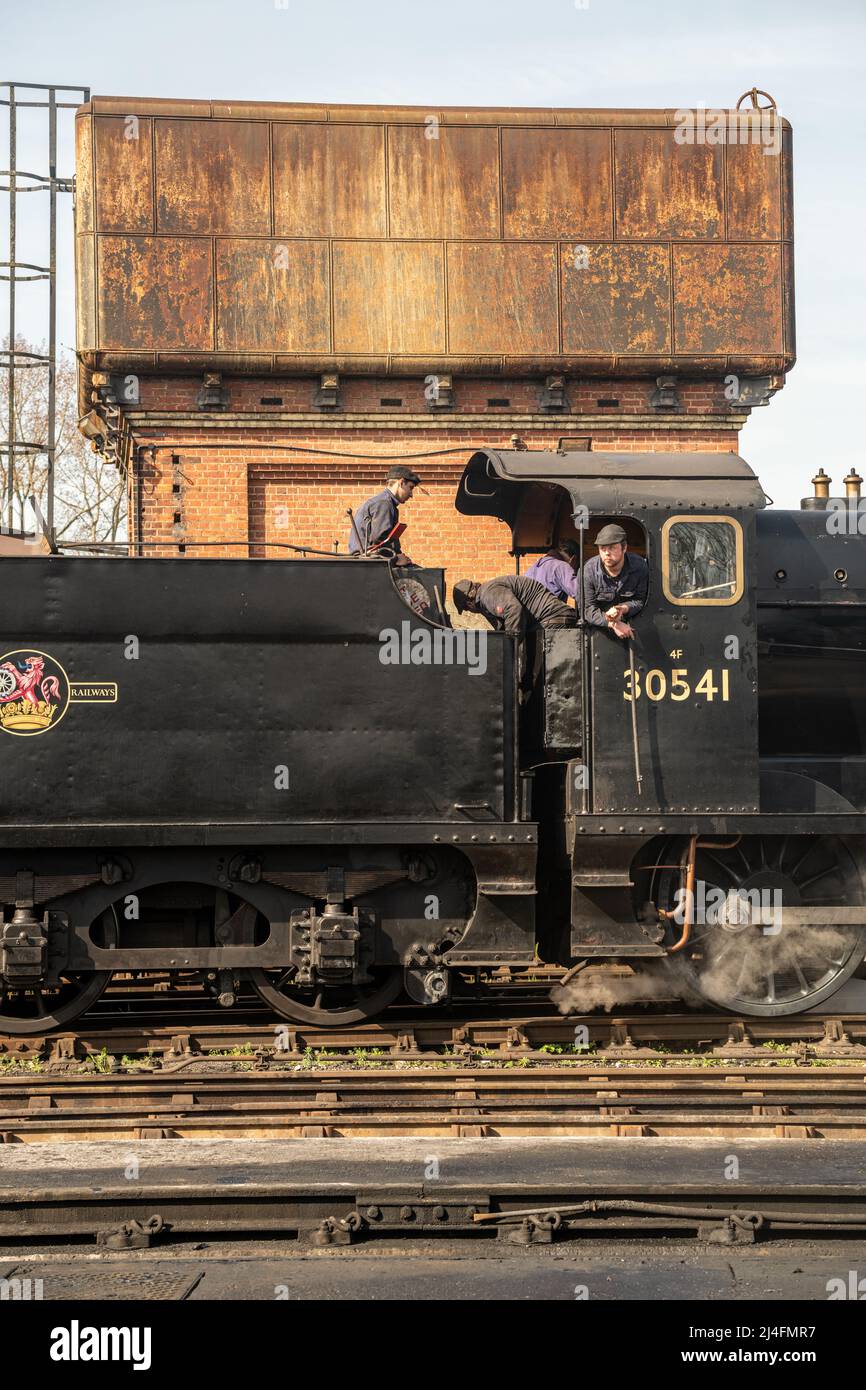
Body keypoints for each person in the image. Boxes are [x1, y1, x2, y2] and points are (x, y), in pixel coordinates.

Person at [348, 465, 425, 565]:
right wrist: (396, 559)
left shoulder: (386, 503)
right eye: (410, 488)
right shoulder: (384, 503)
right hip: (368, 563)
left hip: (371, 560)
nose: (411, 494)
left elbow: (385, 541)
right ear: (401, 483)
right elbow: (379, 541)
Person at [583, 524, 648, 639]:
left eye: (612, 547)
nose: (606, 553)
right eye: (602, 548)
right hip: (599, 633)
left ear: (624, 548)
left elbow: (640, 600)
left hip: (634, 629)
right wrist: (614, 624)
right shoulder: (589, 571)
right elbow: (588, 609)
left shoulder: (639, 567)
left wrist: (622, 609)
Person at [452, 574, 576, 634]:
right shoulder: (486, 598)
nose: (471, 612)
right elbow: (503, 627)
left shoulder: (488, 594)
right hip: (549, 620)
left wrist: (510, 647)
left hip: (553, 619)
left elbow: (513, 609)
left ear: (469, 602)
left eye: (467, 609)